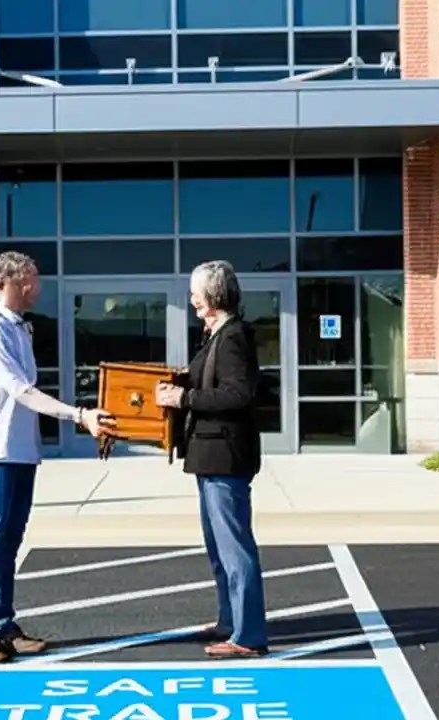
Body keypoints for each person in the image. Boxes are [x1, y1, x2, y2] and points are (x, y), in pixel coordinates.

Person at [0, 251, 115, 663]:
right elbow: (21, 391)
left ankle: (3, 625)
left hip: (23, 450)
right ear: (8, 282)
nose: (38, 287)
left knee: (10, 541)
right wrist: (79, 415)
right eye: (31, 280)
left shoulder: (21, 330)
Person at [155, 259, 269, 658]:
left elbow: (239, 394)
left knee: (234, 547)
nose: (192, 301)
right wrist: (179, 383)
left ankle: (249, 636)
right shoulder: (215, 335)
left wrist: (184, 398)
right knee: (219, 548)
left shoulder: (234, 336)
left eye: (195, 294)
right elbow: (209, 381)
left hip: (225, 457)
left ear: (214, 295)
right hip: (209, 457)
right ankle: (229, 620)